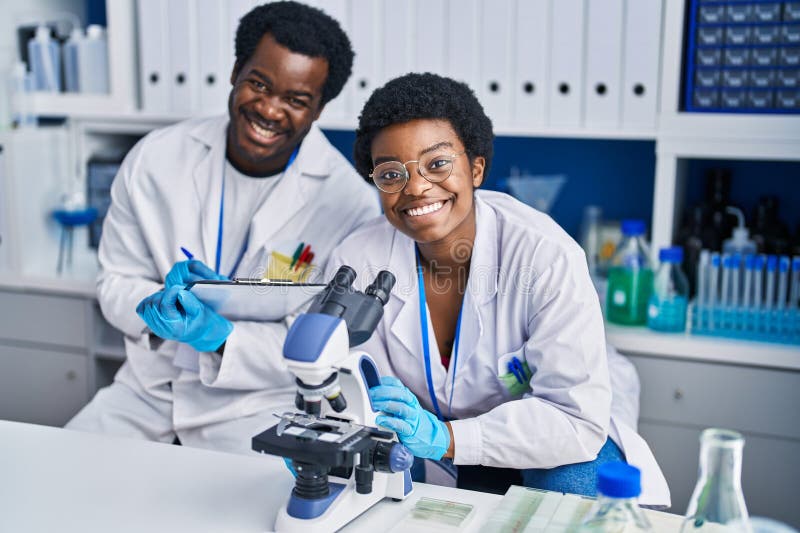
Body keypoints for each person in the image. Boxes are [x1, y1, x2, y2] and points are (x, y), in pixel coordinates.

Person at [325, 73, 669, 506]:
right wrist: (325, 431)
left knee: (575, 482)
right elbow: (340, 381)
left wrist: (446, 438)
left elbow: (573, 420)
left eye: (437, 164)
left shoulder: (546, 256)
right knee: (370, 471)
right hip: (426, 438)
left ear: (476, 168)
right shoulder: (356, 260)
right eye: (392, 173)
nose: (415, 187)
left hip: (554, 434)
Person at [66, 2, 379, 453]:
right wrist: (156, 308)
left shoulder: (347, 204)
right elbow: (115, 280)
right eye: (259, 84)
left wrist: (221, 337)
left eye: (296, 100)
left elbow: (325, 340)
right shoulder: (156, 158)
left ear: (319, 108)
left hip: (251, 408)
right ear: (235, 72)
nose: (270, 110)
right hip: (147, 392)